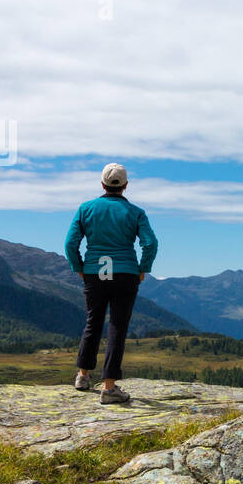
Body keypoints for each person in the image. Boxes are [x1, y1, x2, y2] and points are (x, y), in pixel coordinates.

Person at [64, 163, 158, 404]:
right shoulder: (136, 213)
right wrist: (142, 269)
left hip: (95, 272)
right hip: (125, 273)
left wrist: (79, 268)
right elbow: (150, 244)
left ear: (102, 184)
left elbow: (70, 243)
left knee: (93, 322)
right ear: (125, 186)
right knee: (117, 326)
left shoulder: (86, 209)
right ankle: (109, 387)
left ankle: (83, 376)